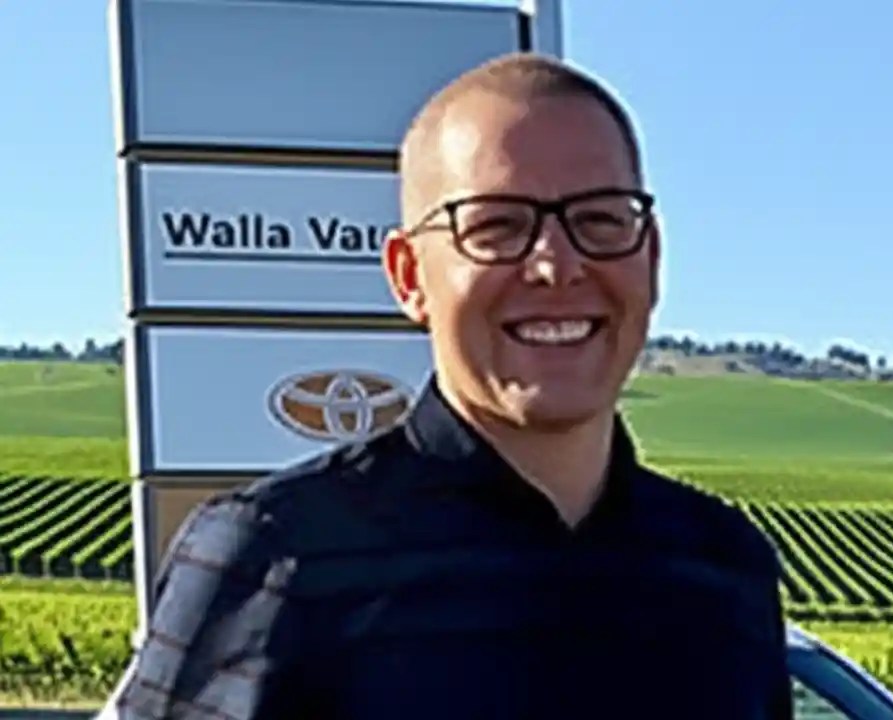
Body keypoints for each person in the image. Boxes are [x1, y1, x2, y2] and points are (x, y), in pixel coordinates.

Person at [105, 52, 794, 719]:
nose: (556, 265)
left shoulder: (725, 571)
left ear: (652, 256)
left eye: (600, 220)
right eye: (496, 226)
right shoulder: (278, 558)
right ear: (409, 276)